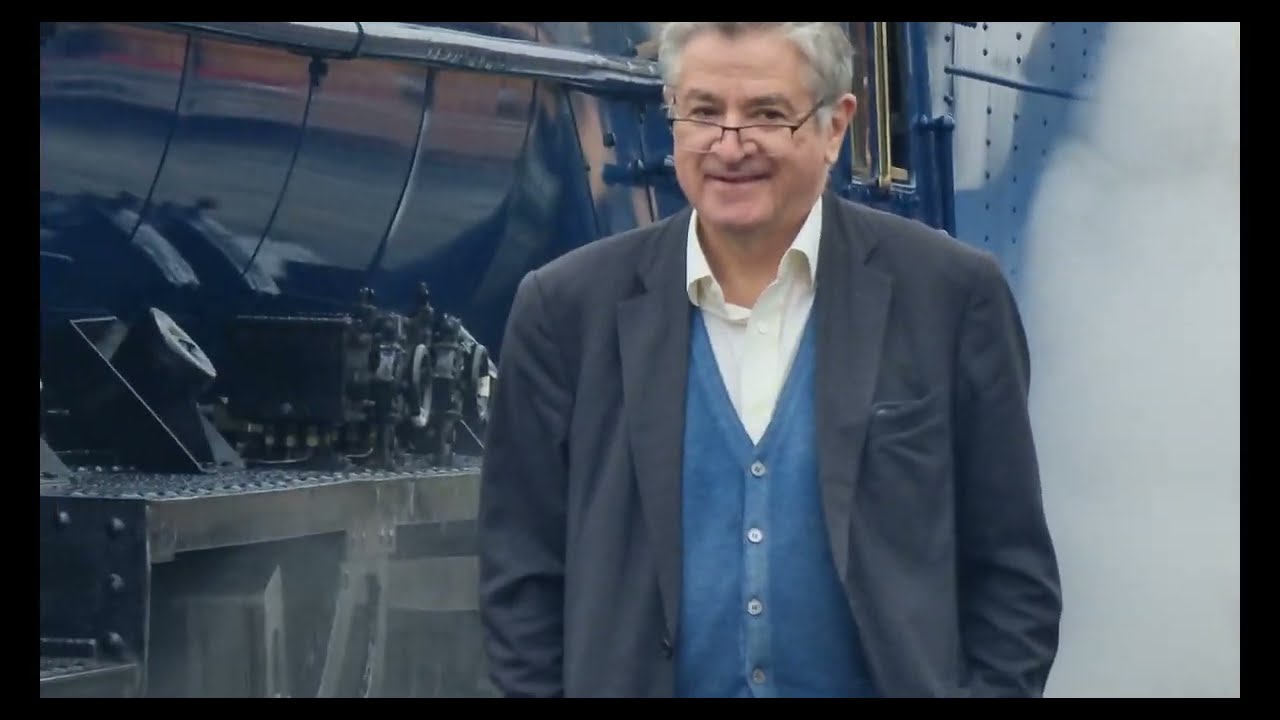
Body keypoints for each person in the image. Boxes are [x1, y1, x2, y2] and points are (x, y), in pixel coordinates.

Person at [477, 21, 1062, 698]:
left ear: (835, 126)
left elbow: (1013, 576)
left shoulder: (952, 298)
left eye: (765, 114)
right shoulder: (564, 310)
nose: (730, 145)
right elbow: (520, 578)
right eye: (702, 112)